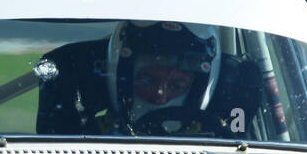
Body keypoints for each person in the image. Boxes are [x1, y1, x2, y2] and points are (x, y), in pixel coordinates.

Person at [37, 20, 231, 137]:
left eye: (176, 85)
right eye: (147, 81)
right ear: (121, 78)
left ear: (198, 87)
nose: (159, 97)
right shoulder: (82, 140)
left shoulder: (228, 144)